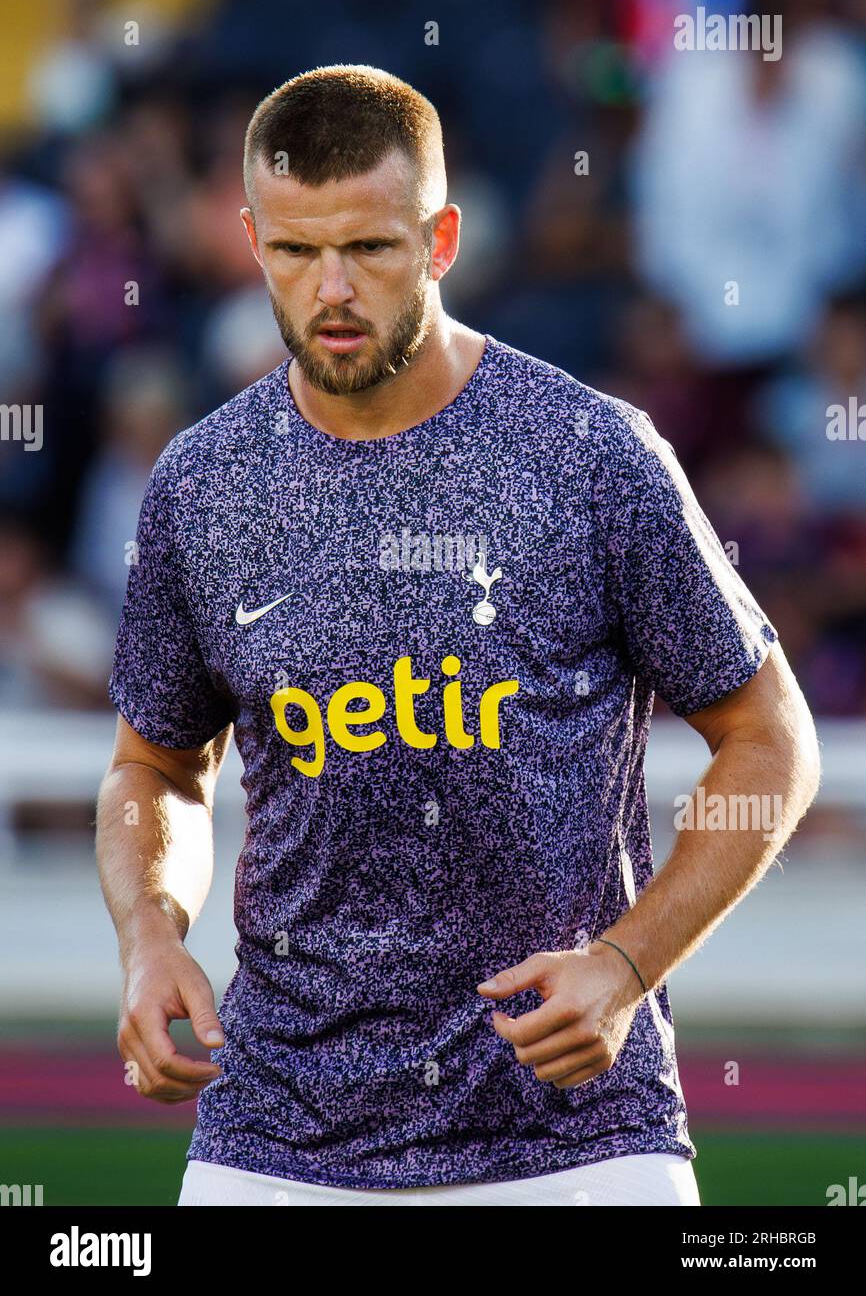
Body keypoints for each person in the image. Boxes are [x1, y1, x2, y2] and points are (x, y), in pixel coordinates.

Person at [96, 64, 820, 1207]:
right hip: (274, 1134)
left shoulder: (591, 454)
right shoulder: (200, 482)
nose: (330, 288)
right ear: (249, 239)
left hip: (578, 1135)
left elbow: (770, 738)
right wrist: (149, 930)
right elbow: (156, 765)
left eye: (371, 249)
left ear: (440, 237)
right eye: (293, 252)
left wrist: (628, 962)